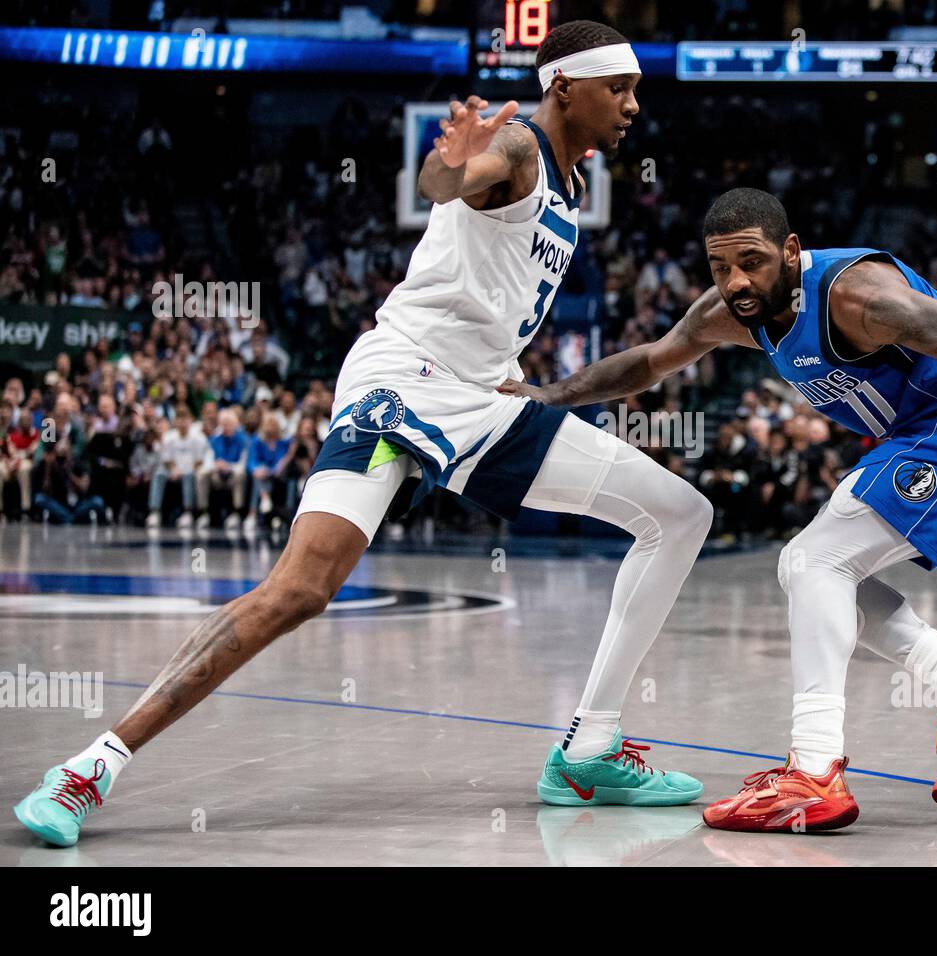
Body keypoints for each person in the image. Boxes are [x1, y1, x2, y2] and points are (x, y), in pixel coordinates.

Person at [15, 20, 710, 849]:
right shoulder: (520, 147)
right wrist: (450, 164)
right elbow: (450, 179)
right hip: (403, 383)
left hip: (485, 399)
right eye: (620, 88)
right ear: (565, 87)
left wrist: (547, 388)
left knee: (678, 513)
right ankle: (91, 765)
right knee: (300, 592)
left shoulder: (567, 175)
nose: (634, 105)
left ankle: (589, 748)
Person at [501, 188, 937, 831]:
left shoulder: (860, 298)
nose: (736, 281)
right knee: (816, 571)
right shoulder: (732, 311)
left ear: (790, 252)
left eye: (751, 262)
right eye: (720, 267)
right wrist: (550, 394)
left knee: (815, 562)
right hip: (930, 436)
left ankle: (813, 771)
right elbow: (650, 361)